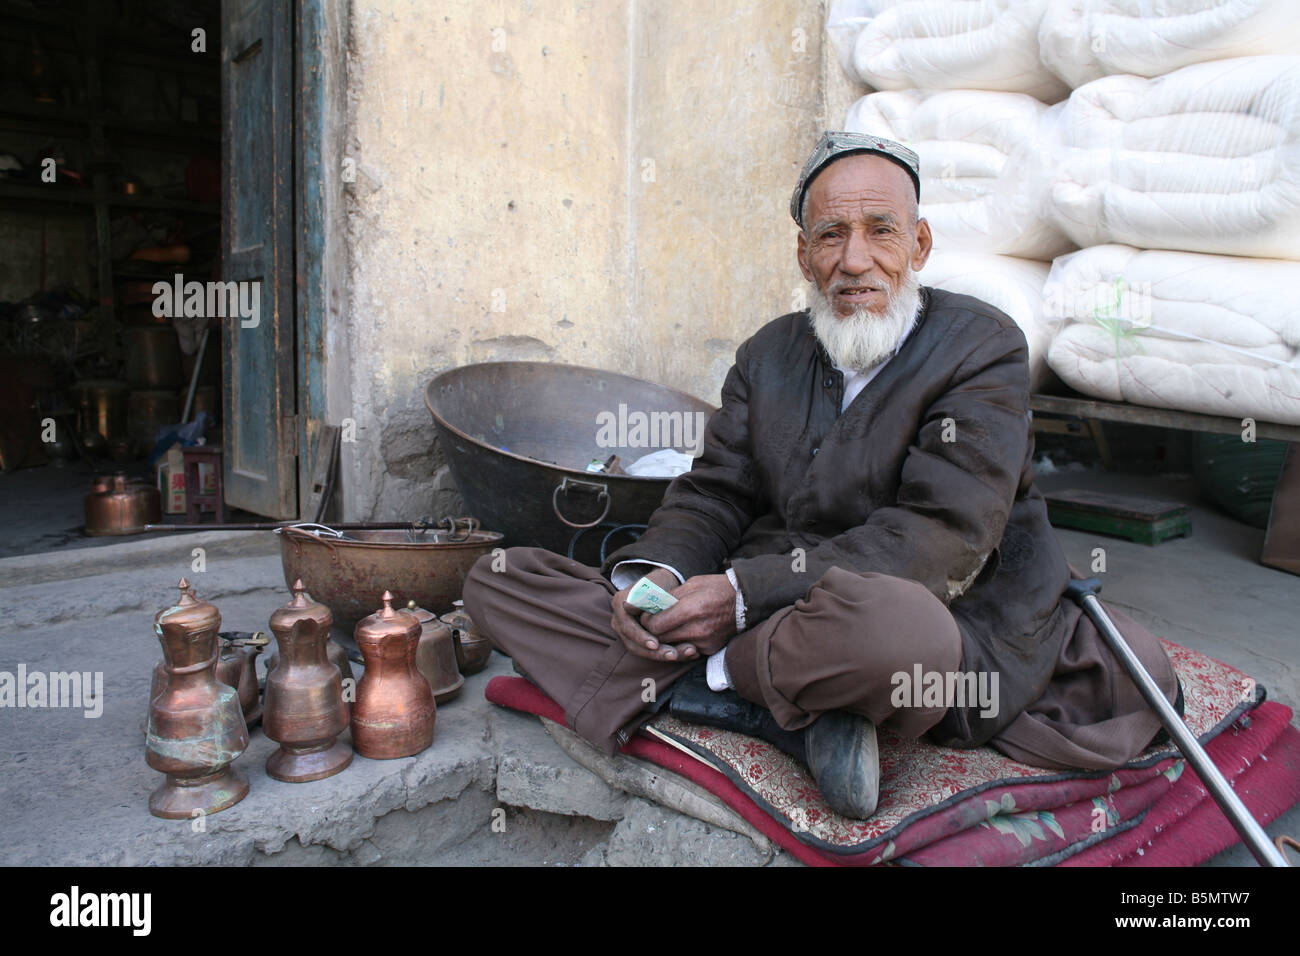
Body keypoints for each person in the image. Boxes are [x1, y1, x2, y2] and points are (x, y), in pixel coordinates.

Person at [463, 131, 1179, 820]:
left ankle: (711, 678)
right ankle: (786, 712)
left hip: (921, 612)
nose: (855, 260)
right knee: (495, 581)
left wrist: (740, 598)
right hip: (776, 610)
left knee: (905, 636)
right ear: (805, 256)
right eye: (831, 236)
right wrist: (658, 581)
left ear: (919, 245)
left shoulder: (981, 347)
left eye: (881, 231)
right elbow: (716, 490)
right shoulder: (767, 354)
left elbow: (945, 537)